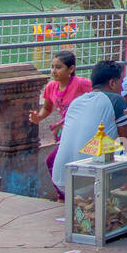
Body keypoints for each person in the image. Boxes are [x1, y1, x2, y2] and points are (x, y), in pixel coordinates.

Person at [29, 51, 92, 179]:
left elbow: (98, 96)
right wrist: (38, 117)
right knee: (53, 162)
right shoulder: (51, 86)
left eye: (58, 67)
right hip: (65, 132)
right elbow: (47, 108)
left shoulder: (81, 83)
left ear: (71, 69)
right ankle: (64, 194)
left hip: (83, 132)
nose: (53, 71)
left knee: (63, 161)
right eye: (52, 67)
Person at [50, 83, 117, 199]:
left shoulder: (76, 101)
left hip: (61, 178)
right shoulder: (115, 100)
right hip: (87, 181)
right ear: (112, 83)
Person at [91, 61, 127, 128]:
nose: (122, 89)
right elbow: (126, 137)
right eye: (121, 83)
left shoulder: (76, 102)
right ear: (112, 83)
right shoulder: (117, 100)